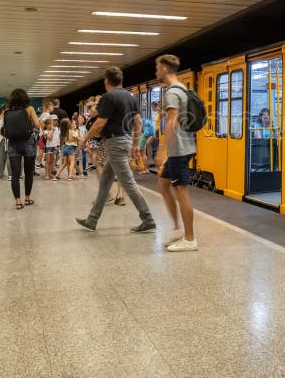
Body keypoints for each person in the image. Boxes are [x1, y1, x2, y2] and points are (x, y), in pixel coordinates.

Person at [75, 67, 156, 233]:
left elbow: (99, 123)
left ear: (106, 81)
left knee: (128, 182)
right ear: (121, 80)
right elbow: (138, 123)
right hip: (124, 140)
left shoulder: (108, 97)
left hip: (114, 142)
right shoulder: (130, 97)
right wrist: (134, 144)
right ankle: (92, 220)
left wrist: (84, 140)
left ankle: (148, 218)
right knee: (105, 182)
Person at [155, 54, 198, 252]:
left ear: (164, 69)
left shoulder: (172, 92)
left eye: (157, 68)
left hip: (179, 149)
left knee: (181, 192)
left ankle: (190, 239)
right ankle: (177, 229)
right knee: (163, 185)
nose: (156, 72)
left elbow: (172, 121)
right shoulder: (182, 88)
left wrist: (161, 150)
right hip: (181, 147)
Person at [3, 89, 41, 209]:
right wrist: (33, 130)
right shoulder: (29, 109)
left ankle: (18, 202)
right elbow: (37, 124)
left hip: (13, 143)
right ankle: (27, 198)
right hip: (28, 142)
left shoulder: (6, 111)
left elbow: (3, 127)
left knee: (15, 173)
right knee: (28, 172)